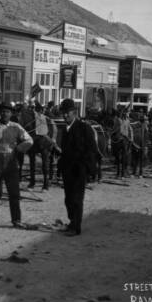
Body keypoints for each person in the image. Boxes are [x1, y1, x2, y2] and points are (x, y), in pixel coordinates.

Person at [56, 98, 97, 236]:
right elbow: (64, 152)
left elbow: (92, 150)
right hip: (67, 170)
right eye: (63, 113)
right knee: (68, 199)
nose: (65, 115)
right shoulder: (65, 130)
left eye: (67, 113)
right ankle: (72, 221)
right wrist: (59, 167)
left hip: (79, 170)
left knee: (77, 199)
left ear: (74, 113)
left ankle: (76, 227)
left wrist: (90, 170)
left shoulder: (84, 128)